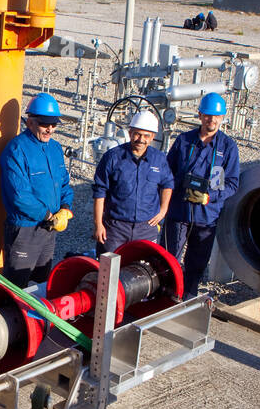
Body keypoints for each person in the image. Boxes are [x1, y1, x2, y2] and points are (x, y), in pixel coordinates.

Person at [163, 92, 240, 297]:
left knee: (196, 265)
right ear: (199, 115)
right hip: (179, 212)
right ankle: (165, 298)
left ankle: (188, 299)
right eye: (207, 115)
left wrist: (210, 197)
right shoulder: (184, 141)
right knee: (168, 259)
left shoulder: (227, 147)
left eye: (216, 116)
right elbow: (167, 172)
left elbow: (232, 183)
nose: (211, 120)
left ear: (222, 118)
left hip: (207, 217)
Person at [0, 92, 73, 287]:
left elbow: (64, 183)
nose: (50, 129)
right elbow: (19, 195)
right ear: (30, 122)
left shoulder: (55, 148)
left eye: (53, 124)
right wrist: (48, 215)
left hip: (49, 229)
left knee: (41, 283)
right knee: (17, 285)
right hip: (25, 229)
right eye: (44, 124)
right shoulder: (16, 150)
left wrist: (65, 207)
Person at [93, 110, 174, 255]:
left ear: (153, 137)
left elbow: (167, 183)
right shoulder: (112, 158)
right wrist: (98, 224)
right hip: (115, 228)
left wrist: (163, 210)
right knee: (109, 266)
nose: (141, 139)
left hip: (146, 229)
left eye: (146, 136)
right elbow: (100, 192)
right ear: (130, 133)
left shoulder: (159, 159)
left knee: (143, 266)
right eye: (137, 134)